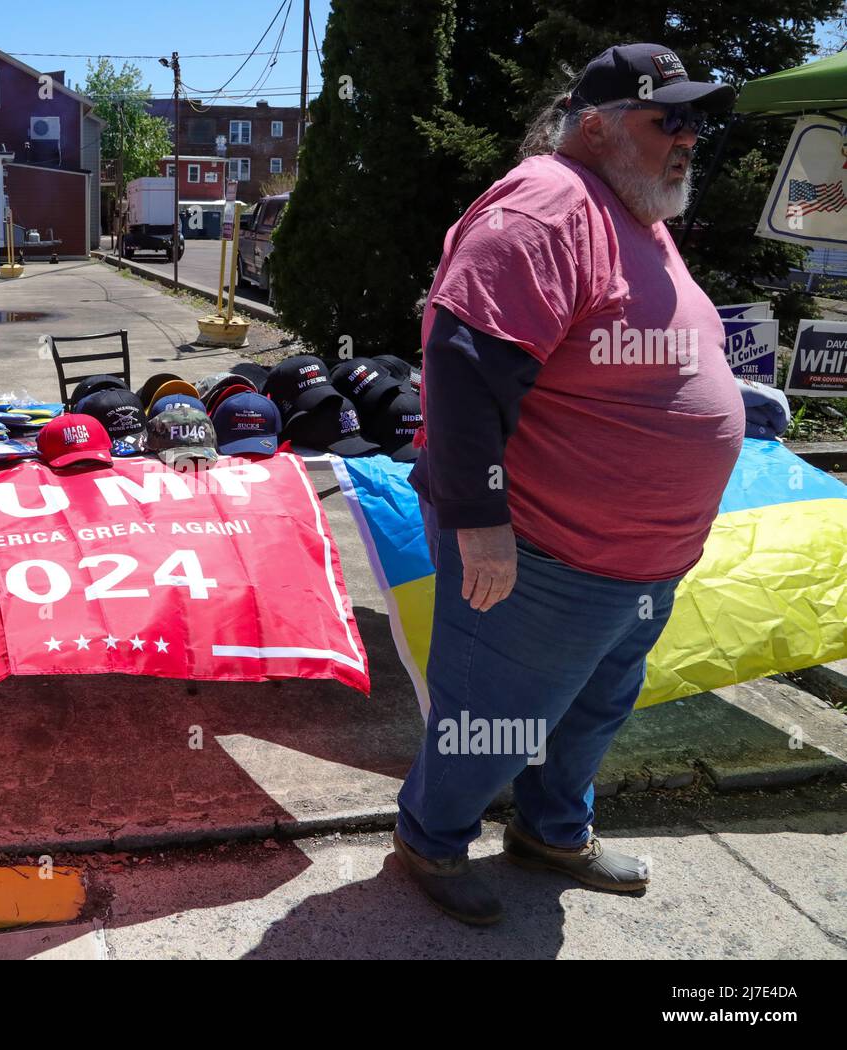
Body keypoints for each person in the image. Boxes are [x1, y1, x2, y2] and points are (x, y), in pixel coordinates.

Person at [391, 43, 745, 926]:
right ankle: (432, 841)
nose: (690, 138)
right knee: (495, 721)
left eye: (697, 122)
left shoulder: (636, 217)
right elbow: (465, 358)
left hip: (640, 561)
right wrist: (479, 522)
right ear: (598, 124)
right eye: (671, 117)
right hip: (547, 553)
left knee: (590, 714)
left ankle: (553, 831)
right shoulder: (551, 202)